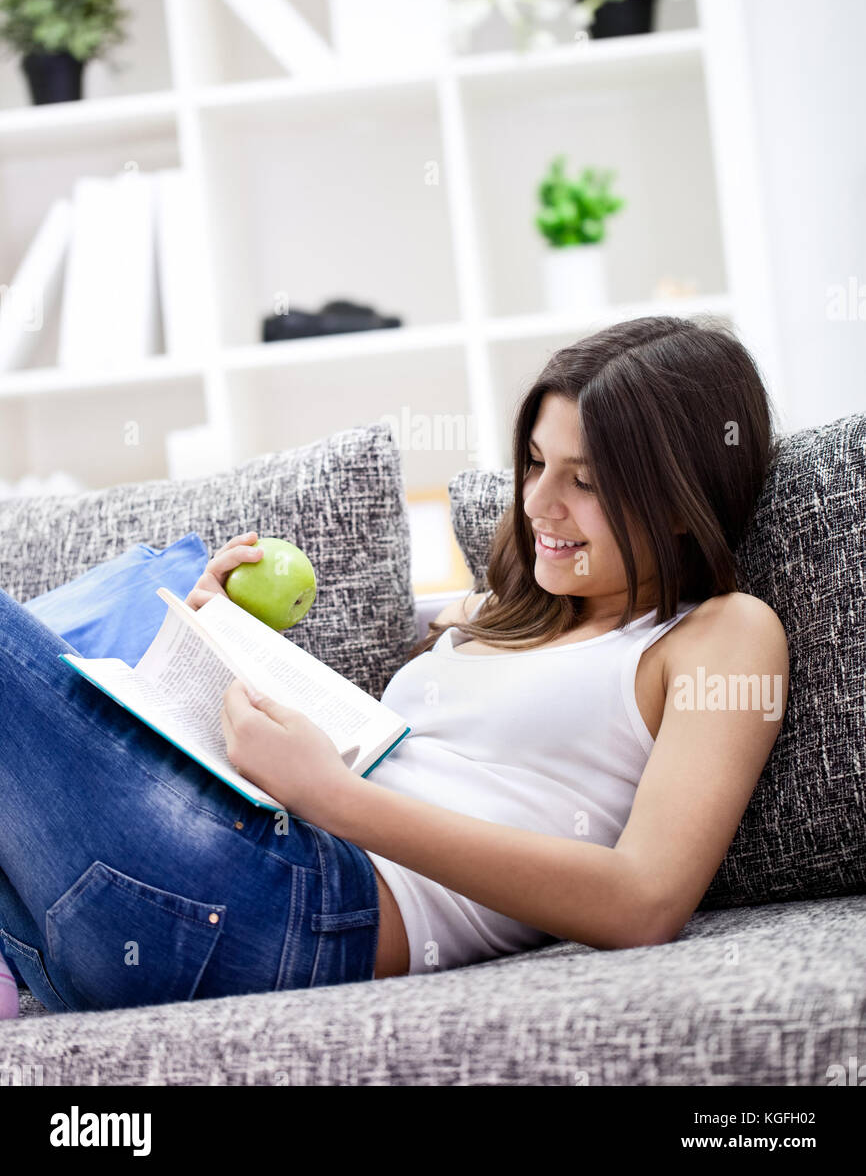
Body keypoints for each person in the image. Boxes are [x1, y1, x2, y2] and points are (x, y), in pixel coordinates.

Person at [0, 315, 788, 1010]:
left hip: (296, 908)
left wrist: (336, 799)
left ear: (684, 505)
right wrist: (217, 646)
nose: (540, 502)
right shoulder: (493, 615)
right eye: (536, 463)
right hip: (103, 930)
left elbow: (643, 903)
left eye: (583, 481)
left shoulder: (720, 636)